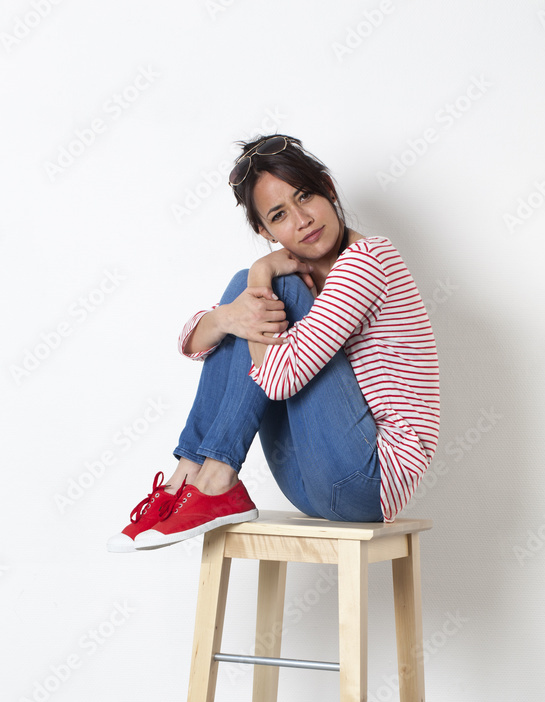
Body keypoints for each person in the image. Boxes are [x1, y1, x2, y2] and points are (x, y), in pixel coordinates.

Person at [107, 134, 440, 553]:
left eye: (306, 197)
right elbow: (191, 342)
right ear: (263, 228)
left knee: (265, 292)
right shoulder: (297, 279)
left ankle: (215, 478)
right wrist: (230, 313)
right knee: (241, 301)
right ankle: (186, 477)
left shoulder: (367, 260)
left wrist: (261, 273)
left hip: (368, 481)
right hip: (307, 481)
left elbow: (278, 382)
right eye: (280, 215)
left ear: (328, 188)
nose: (302, 220)